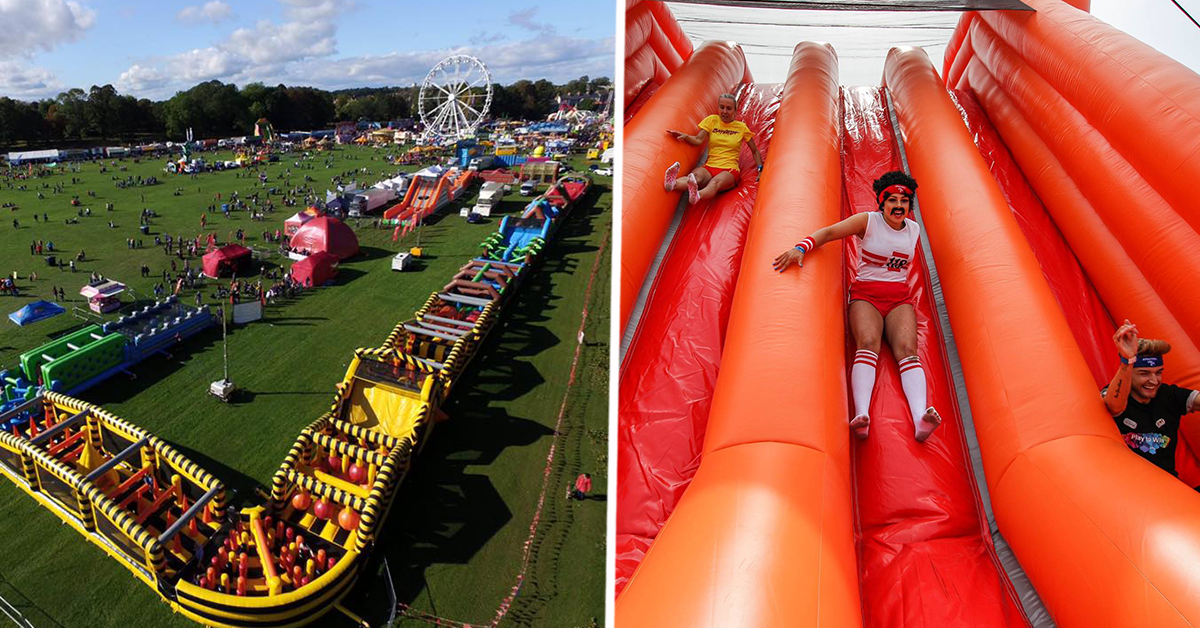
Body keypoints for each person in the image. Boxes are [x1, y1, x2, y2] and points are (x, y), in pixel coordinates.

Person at [773, 171, 941, 442]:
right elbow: (829, 232)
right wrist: (801, 248)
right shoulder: (868, 222)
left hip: (899, 296)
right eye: (892, 200)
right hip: (866, 294)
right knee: (868, 342)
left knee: (909, 350)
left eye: (904, 200)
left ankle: (921, 417)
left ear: (911, 205)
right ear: (881, 202)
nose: (898, 205)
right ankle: (861, 415)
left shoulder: (914, 229)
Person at [1103, 320, 1200, 487]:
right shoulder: (1114, 394)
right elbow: (1114, 406)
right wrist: (1127, 360)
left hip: (1170, 488)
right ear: (1129, 374)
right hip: (1131, 491)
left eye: (1158, 372)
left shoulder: (1169, 395)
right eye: (1144, 373)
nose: (1154, 381)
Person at [663, 93, 763, 205]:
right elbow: (698, 140)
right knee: (695, 177)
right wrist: (685, 136)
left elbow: (754, 151)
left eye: (729, 108)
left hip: (729, 169)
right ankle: (672, 184)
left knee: (715, 183)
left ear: (735, 111)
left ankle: (697, 195)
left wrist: (760, 169)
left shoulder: (741, 128)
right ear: (718, 108)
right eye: (722, 107)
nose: (724, 111)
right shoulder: (712, 121)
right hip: (709, 166)